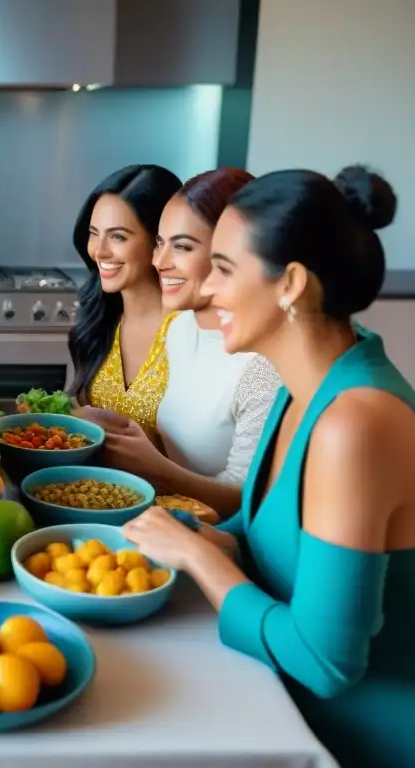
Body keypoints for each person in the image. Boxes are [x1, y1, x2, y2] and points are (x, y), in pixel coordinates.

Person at [123, 166, 415, 767]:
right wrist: (182, 534)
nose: (206, 291)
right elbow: (265, 540)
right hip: (274, 695)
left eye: (224, 270)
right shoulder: (300, 386)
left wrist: (197, 555)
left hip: (350, 738)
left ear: (291, 285)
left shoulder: (355, 424)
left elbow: (327, 662)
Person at [104, 168, 280, 518]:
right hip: (174, 525)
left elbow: (250, 501)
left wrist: (157, 469)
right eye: (159, 242)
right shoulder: (180, 329)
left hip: (223, 544)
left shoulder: (263, 366)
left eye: (182, 246)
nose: (159, 262)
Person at [67, 164, 183, 439]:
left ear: (159, 241)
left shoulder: (190, 328)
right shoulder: (98, 316)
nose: (99, 251)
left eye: (118, 236)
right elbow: (75, 405)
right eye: (94, 233)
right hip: (91, 481)